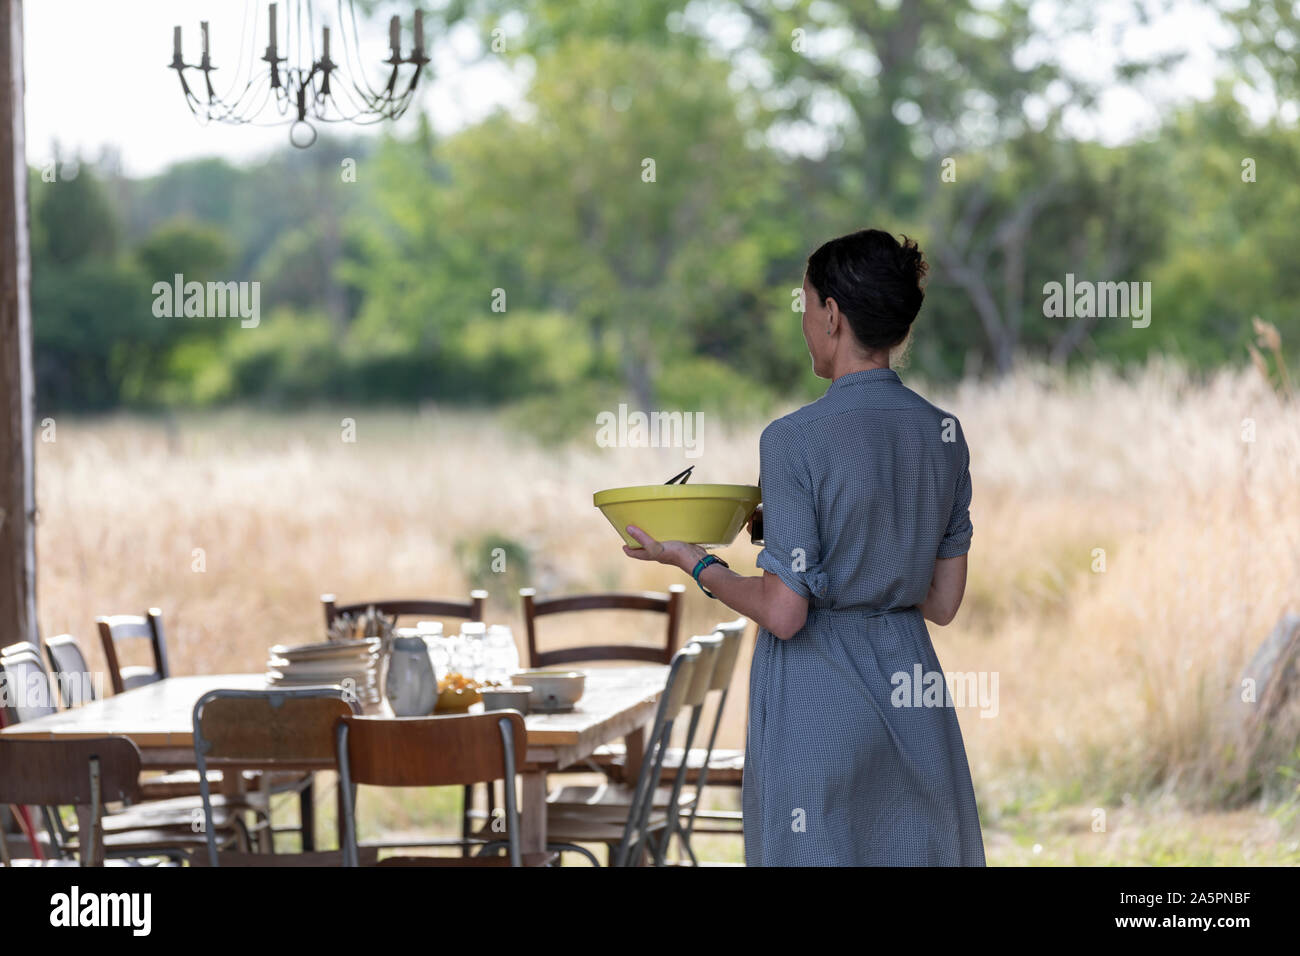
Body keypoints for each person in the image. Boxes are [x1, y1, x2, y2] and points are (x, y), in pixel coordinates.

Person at [622, 228, 984, 865]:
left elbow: (786, 613)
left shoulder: (792, 440)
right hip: (912, 691)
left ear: (833, 315)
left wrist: (697, 562)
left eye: (805, 306)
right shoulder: (944, 435)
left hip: (819, 700)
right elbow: (943, 600)